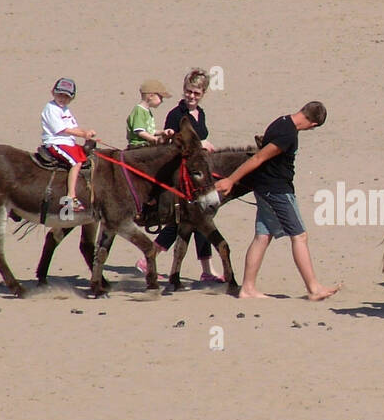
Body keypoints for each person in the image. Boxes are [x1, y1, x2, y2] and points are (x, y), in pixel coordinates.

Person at [214, 103, 340, 301]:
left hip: (266, 188)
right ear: (312, 123)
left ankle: (247, 288)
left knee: (262, 236)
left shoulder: (281, 121)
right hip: (277, 191)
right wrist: (230, 180)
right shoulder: (287, 134)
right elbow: (258, 158)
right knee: (299, 236)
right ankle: (314, 288)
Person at [141, 69, 222, 282]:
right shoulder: (176, 115)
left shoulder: (201, 114)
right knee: (188, 220)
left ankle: (207, 269)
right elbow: (170, 146)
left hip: (196, 176)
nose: (191, 96)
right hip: (180, 177)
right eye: (188, 91)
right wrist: (199, 144)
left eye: (196, 93)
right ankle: (150, 256)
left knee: (201, 217)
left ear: (203, 93)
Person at [41, 78, 97, 214]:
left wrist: (86, 133)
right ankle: (71, 197)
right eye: (60, 95)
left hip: (68, 142)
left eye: (66, 97)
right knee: (76, 162)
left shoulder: (65, 110)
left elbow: (73, 127)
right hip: (56, 142)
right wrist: (83, 134)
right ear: (53, 93)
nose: (63, 99)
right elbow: (62, 129)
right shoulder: (51, 109)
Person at [125, 78, 171, 148]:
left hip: (146, 144)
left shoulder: (146, 111)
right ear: (151, 96)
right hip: (138, 145)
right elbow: (140, 132)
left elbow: (150, 131)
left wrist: (162, 132)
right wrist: (155, 139)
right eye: (161, 98)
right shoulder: (139, 111)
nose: (162, 101)